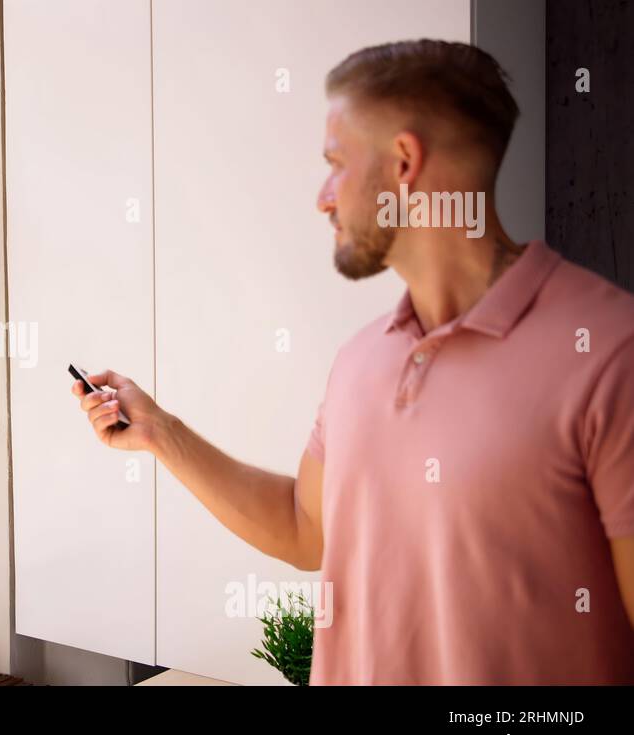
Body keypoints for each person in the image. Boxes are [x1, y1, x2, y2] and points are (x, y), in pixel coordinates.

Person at [73, 40, 634, 684]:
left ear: (403, 163)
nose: (323, 196)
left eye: (336, 163)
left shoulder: (608, 355)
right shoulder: (362, 358)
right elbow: (305, 527)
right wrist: (160, 433)